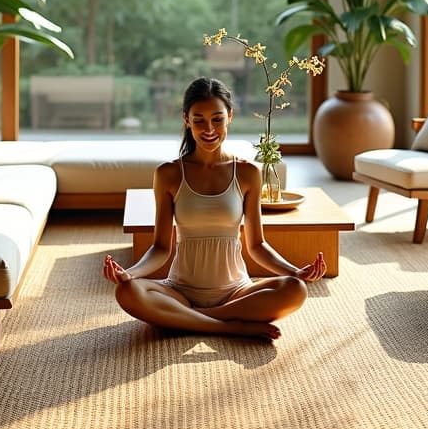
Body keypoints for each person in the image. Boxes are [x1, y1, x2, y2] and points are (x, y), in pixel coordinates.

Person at [103, 76, 325, 340]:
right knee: (127, 291)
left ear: (229, 116)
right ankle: (229, 326)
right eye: (199, 120)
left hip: (236, 292)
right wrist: (130, 273)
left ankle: (190, 320)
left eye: (217, 119)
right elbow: (161, 248)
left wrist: (294, 271)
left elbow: (257, 246)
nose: (209, 129)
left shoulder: (247, 173)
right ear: (186, 119)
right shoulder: (168, 174)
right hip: (180, 292)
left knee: (295, 289)